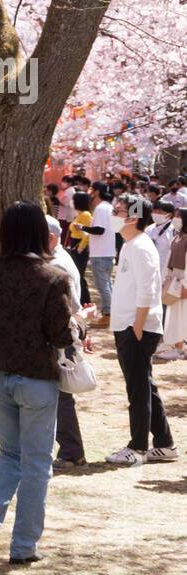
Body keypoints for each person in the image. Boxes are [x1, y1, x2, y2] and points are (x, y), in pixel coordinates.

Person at [0, 202, 74, 565]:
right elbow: (59, 335)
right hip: (37, 380)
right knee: (37, 463)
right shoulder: (53, 278)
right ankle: (24, 546)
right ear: (41, 232)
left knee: (10, 454)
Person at [105, 194, 178, 465]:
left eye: (118, 210)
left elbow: (148, 290)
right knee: (144, 386)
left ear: (132, 216)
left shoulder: (140, 246)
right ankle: (164, 444)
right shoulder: (130, 244)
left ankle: (137, 448)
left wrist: (137, 326)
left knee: (137, 390)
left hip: (136, 327)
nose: (113, 213)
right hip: (128, 325)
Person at [46, 216, 89, 469]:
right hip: (63, 334)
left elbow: (71, 306)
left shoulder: (58, 264)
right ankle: (70, 450)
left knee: (61, 395)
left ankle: (72, 452)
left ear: (51, 238)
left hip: (61, 336)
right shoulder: (58, 258)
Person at [84, 182, 117, 324]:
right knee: (107, 285)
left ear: (97, 192)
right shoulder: (108, 207)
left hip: (101, 253)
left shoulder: (101, 208)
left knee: (103, 286)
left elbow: (99, 230)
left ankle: (108, 314)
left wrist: (82, 227)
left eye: (92, 189)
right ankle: (111, 313)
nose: (89, 192)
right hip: (106, 251)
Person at [161, 208, 187, 360]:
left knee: (181, 316)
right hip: (174, 281)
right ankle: (177, 346)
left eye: (179, 216)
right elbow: (168, 262)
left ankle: (179, 348)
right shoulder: (177, 237)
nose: (175, 218)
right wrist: (166, 279)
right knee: (174, 315)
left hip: (183, 282)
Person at [67, 190, 93, 306]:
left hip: (79, 246)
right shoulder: (79, 214)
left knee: (79, 274)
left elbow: (87, 233)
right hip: (74, 244)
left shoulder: (86, 215)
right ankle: (82, 299)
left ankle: (85, 300)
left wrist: (81, 247)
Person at [149, 199, 176, 273]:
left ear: (169, 215)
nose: (156, 213)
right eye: (154, 211)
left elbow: (175, 253)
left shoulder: (173, 230)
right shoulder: (149, 228)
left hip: (164, 269)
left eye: (160, 212)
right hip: (148, 266)